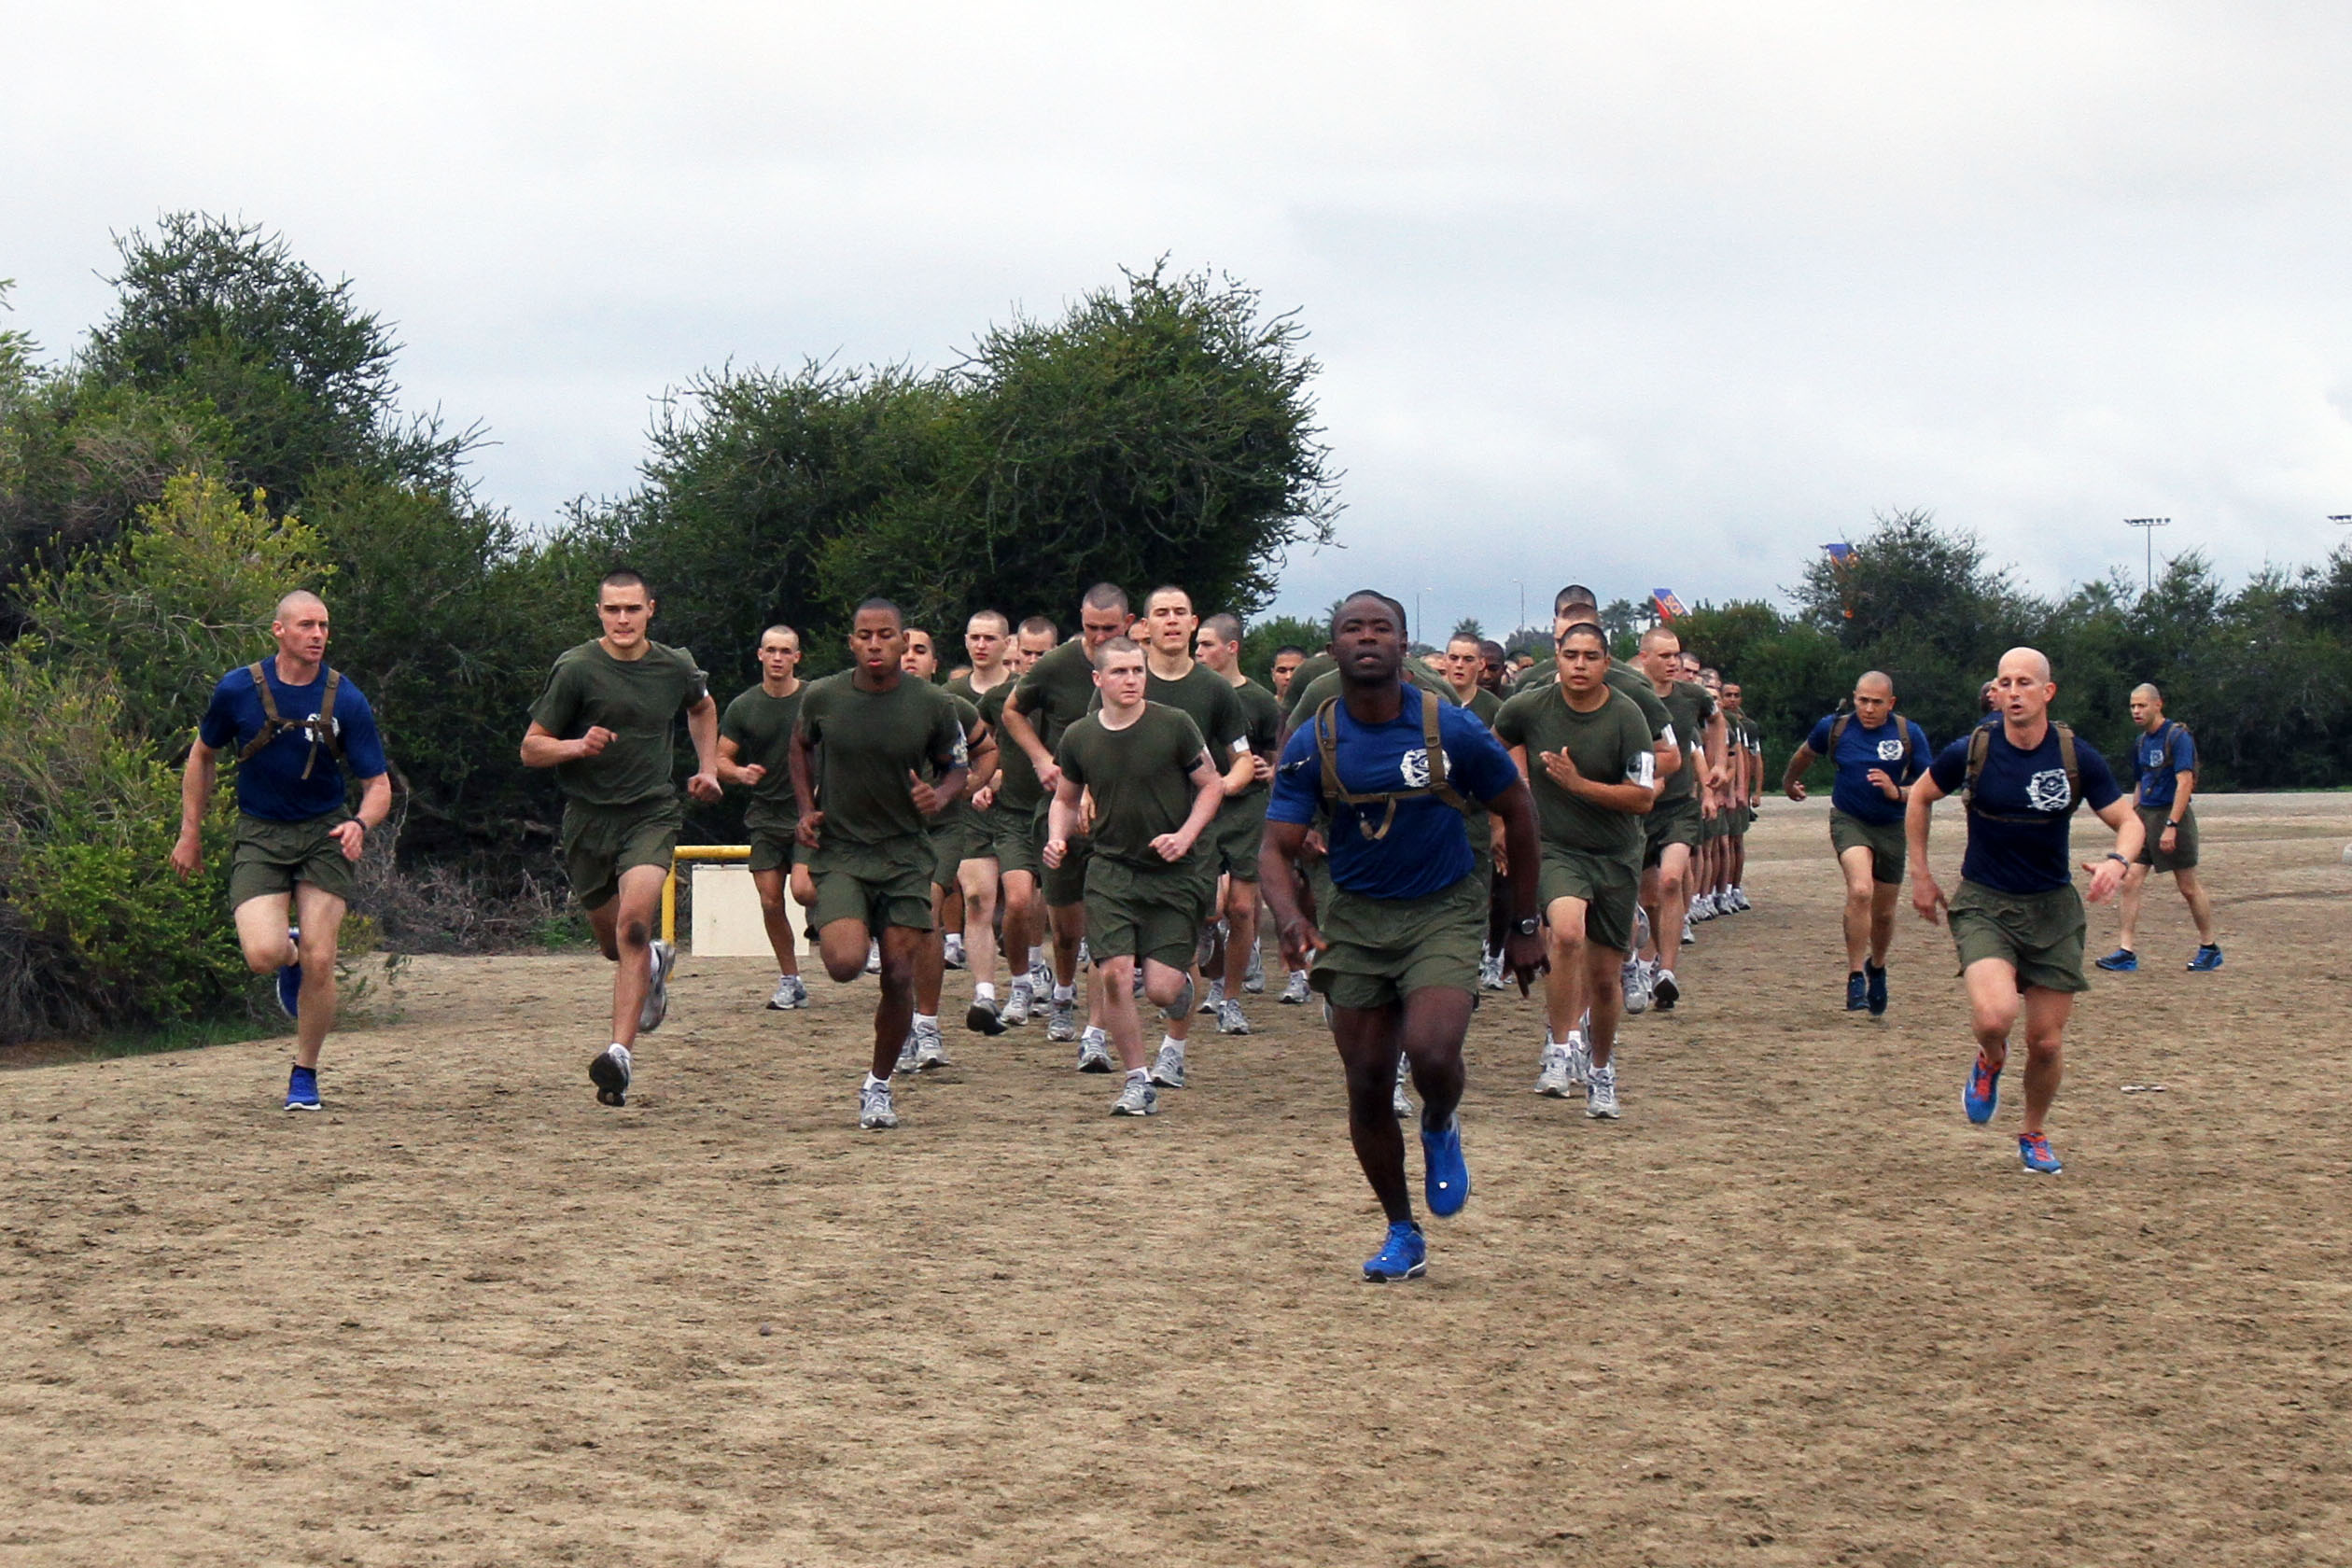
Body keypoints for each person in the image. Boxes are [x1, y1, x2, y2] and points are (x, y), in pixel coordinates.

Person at [1262, 591, 1544, 1281]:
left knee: (1432, 1053)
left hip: (1443, 907)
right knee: (1366, 1082)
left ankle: (1440, 1121)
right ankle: (1401, 1230)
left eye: (1380, 628)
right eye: (1352, 628)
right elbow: (1274, 847)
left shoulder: (1451, 727)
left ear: (1404, 645)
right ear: (1334, 649)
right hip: (1355, 917)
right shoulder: (1313, 740)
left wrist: (1524, 925)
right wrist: (1291, 917)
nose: (1367, 638)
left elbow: (1519, 810)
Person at [1906, 648, 2141, 1175]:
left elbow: (2129, 821)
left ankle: (2033, 1133)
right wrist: (1920, 873)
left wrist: (2118, 861)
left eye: (2024, 683)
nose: (2012, 692)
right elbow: (1919, 797)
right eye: (2004, 682)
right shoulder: (1973, 750)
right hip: (1984, 903)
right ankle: (1990, 1059)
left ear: (2047, 692)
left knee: (2046, 1042)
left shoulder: (2076, 756)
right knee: (1995, 1017)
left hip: (2053, 909)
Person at [172, 590, 391, 1111]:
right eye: (307, 625)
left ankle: (305, 1074)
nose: (317, 635)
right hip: (260, 833)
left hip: (325, 833)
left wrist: (360, 823)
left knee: (322, 957)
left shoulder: (345, 698)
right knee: (262, 955)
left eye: (324, 626)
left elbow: (378, 784)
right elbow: (202, 756)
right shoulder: (238, 689)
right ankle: (288, 954)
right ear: (279, 631)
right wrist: (190, 833)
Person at [521, 569, 721, 1108]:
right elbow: (531, 748)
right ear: (599, 612)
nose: (623, 619)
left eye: (633, 608)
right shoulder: (577, 669)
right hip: (588, 821)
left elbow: (702, 706)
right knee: (615, 945)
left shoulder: (674, 666)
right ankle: (652, 965)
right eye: (613, 610)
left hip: (651, 813)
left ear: (651, 609)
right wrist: (577, 746)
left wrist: (708, 767)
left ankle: (618, 1056)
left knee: (633, 926)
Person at [790, 600, 972, 1130]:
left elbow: (958, 765)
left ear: (903, 642)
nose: (875, 644)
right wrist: (804, 808)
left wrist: (941, 795)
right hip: (843, 851)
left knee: (897, 973)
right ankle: (847, 916)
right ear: (851, 642)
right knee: (844, 964)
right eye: (865, 635)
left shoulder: (932, 704)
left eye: (886, 635)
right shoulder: (824, 696)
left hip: (905, 855)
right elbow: (799, 747)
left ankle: (878, 1085)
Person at [1043, 637, 1226, 1116]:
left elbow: (1211, 786)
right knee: (1115, 974)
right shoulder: (1080, 736)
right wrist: (1057, 838)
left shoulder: (1175, 725)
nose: (1131, 680)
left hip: (1173, 874)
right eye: (1120, 672)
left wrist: (1185, 836)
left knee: (1163, 990)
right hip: (1111, 870)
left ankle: (1180, 1011)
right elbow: (1065, 798)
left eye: (1137, 671)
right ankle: (1137, 1080)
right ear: (1098, 679)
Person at [1493, 622, 1658, 1116]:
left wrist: (1578, 784)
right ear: (1558, 659)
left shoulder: (1628, 716)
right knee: (1565, 934)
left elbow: (1643, 798)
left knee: (1605, 980)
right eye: (1571, 655)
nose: (1579, 665)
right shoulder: (1527, 706)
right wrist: (1501, 820)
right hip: (1556, 848)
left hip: (1615, 854)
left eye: (1590, 656)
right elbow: (1488, 756)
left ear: (1607, 662)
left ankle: (1602, 1069)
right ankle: (1559, 1047)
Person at [1117, 587, 1254, 1080]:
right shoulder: (1124, 677)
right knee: (1118, 955)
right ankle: (1099, 1037)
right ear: (1144, 626)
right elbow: (1093, 742)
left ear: (1194, 623)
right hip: (1125, 839)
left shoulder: (1214, 690)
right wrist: (1087, 794)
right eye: (1161, 613)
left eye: (1180, 613)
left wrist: (1223, 787)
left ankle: (1174, 1049)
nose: (1171, 621)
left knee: (1174, 965)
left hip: (1192, 841)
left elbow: (1242, 759)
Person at [1001, 586, 1132, 1056]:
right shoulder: (1056, 665)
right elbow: (1012, 711)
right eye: (1091, 627)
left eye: (1110, 628)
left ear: (1128, 623)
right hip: (1062, 807)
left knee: (1104, 926)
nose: (1099, 637)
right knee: (1066, 927)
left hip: (1118, 815)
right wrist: (1040, 758)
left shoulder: (1136, 669)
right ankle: (1061, 991)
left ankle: (1095, 1029)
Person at [1782, 672, 1931, 1015]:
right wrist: (1789, 782)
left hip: (1893, 825)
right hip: (1849, 819)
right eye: (1863, 700)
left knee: (1884, 913)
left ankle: (1876, 966)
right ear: (1854, 698)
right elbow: (1804, 754)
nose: (1868, 708)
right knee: (1861, 890)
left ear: (1891, 703)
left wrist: (1897, 792)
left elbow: (1929, 787)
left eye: (1877, 702)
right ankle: (1854, 977)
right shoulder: (1835, 728)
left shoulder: (1908, 733)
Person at [898, 627, 996, 1066]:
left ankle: (927, 1025)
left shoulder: (952, 707)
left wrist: (968, 784)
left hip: (941, 830)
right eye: (903, 650)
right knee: (897, 930)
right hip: (887, 833)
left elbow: (987, 750)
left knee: (926, 912)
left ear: (934, 663)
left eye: (920, 650)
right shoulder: (864, 707)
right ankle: (902, 1024)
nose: (910, 657)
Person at [717, 625, 812, 1012]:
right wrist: (739, 773)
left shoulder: (813, 700)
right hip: (765, 815)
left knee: (804, 890)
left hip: (809, 813)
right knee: (771, 900)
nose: (777, 657)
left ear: (796, 657)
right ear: (759, 655)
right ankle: (791, 980)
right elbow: (720, 760)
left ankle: (842, 924)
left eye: (785, 651)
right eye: (771, 650)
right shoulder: (744, 706)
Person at [972, 615, 1060, 1026]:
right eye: (1027, 653)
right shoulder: (997, 699)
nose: (1034, 661)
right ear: (1015, 651)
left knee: (1061, 911)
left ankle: (1057, 983)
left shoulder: (1070, 699)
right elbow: (976, 745)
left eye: (1043, 654)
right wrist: (982, 781)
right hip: (1012, 815)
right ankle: (1021, 983)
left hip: (1059, 813)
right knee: (1019, 900)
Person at [1628, 626, 1720, 1012]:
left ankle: (1667, 971)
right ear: (1644, 657)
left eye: (1676, 655)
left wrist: (1717, 768)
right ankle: (1644, 963)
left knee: (1670, 880)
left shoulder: (1691, 697)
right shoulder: (1630, 697)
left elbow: (1716, 722)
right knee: (1647, 897)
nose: (1673, 663)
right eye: (1664, 656)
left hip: (1680, 806)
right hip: (1640, 808)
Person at [2098, 683, 2221, 973]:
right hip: (2146, 816)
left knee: (2187, 886)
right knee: (2131, 879)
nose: (2136, 711)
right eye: (2132, 706)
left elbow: (2185, 781)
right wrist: (2132, 820)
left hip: (2172, 816)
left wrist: (2172, 825)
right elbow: (2140, 782)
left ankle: (2209, 947)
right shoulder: (2141, 742)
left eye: (2141, 705)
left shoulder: (2177, 737)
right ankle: (2126, 951)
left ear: (2158, 704)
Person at [1195, 613, 1282, 1015]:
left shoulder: (1260, 700)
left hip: (1246, 807)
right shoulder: (1192, 693)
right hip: (1199, 807)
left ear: (1231, 648)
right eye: (1197, 645)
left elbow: (1276, 757)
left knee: (1243, 908)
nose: (1199, 652)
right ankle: (1212, 974)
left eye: (1207, 644)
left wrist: (1268, 769)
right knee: (1209, 908)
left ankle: (1230, 998)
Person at [945, 610, 1019, 1028]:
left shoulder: (1023, 692)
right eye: (974, 637)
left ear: (1007, 644)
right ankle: (985, 992)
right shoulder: (949, 695)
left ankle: (1028, 974)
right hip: (968, 810)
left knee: (1023, 904)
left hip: (1017, 809)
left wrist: (997, 777)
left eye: (990, 638)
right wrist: (968, 783)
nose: (981, 645)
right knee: (977, 898)